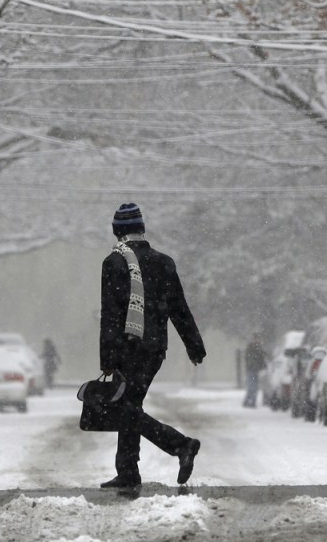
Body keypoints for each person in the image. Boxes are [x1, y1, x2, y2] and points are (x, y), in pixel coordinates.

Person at [99, 203, 206, 489]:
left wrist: (107, 357)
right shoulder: (163, 262)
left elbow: (110, 315)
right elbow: (179, 308)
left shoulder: (114, 263)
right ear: (142, 229)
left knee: (126, 407)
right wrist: (194, 345)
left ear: (117, 231)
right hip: (155, 349)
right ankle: (128, 471)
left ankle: (181, 445)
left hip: (126, 349)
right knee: (129, 405)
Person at [243, 335, 268, 408]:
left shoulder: (258, 348)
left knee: (254, 386)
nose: (258, 340)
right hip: (251, 369)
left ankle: (249, 401)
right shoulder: (252, 347)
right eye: (256, 339)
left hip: (255, 369)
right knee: (252, 386)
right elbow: (251, 358)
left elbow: (262, 358)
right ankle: (250, 401)